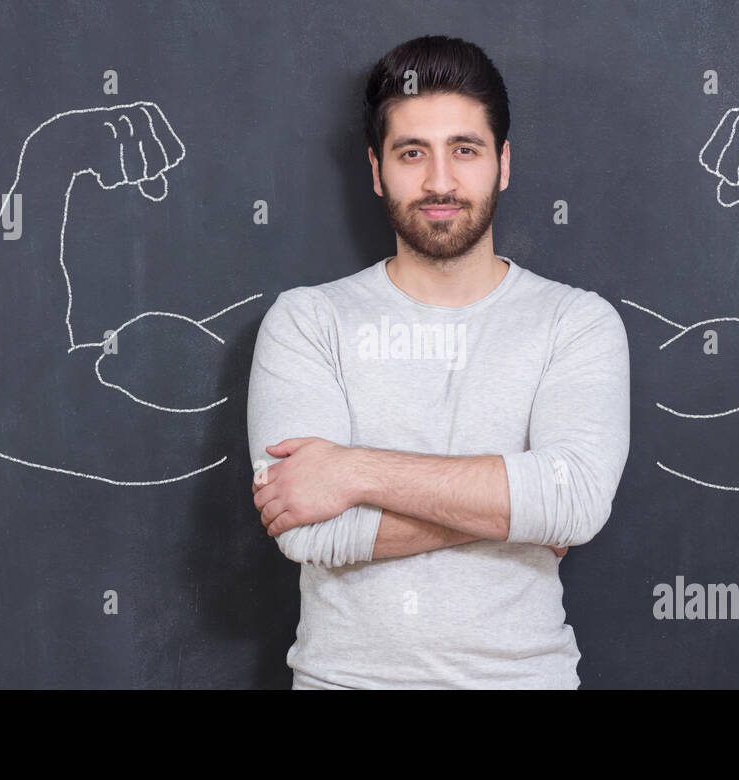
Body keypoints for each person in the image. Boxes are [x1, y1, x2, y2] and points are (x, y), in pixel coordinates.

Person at [246, 34, 631, 689]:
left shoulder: (576, 323)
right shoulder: (307, 322)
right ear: (376, 169)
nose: (440, 181)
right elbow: (307, 532)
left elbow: (575, 503)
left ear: (503, 163)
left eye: (465, 149)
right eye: (412, 153)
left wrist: (355, 470)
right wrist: (521, 514)